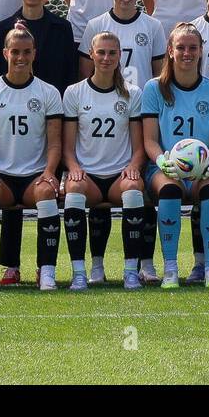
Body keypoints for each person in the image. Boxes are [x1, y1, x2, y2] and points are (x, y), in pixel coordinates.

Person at [0, 0, 76, 286]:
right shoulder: (2, 29)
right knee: (9, 185)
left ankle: (44, 266)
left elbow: (69, 76)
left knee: (44, 186)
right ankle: (10, 265)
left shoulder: (61, 28)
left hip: (50, 116)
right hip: (9, 116)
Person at [0, 24, 65, 291]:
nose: (20, 58)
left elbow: (55, 142)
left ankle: (46, 271)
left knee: (47, 194)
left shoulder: (48, 92)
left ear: (34, 53)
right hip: (0, 176)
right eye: (15, 52)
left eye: (26, 52)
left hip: (34, 177)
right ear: (5, 53)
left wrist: (49, 172)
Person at [139, 23, 209, 289]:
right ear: (170, 50)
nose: (186, 53)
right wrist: (163, 163)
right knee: (169, 191)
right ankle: (170, 268)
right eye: (181, 47)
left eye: (193, 48)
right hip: (166, 167)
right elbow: (150, 140)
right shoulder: (154, 88)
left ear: (201, 51)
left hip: (204, 167)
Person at [61, 32, 146, 290]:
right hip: (88, 176)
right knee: (73, 189)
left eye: (112, 53)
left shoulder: (132, 93)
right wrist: (74, 168)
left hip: (119, 175)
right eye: (101, 52)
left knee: (133, 189)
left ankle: (131, 271)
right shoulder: (75, 93)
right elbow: (66, 148)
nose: (106, 58)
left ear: (120, 56)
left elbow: (139, 146)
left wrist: (133, 167)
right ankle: (79, 272)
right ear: (91, 54)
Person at [79, 0, 166, 85]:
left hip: (141, 100)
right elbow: (85, 74)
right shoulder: (95, 26)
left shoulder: (154, 26)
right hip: (105, 101)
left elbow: (160, 75)